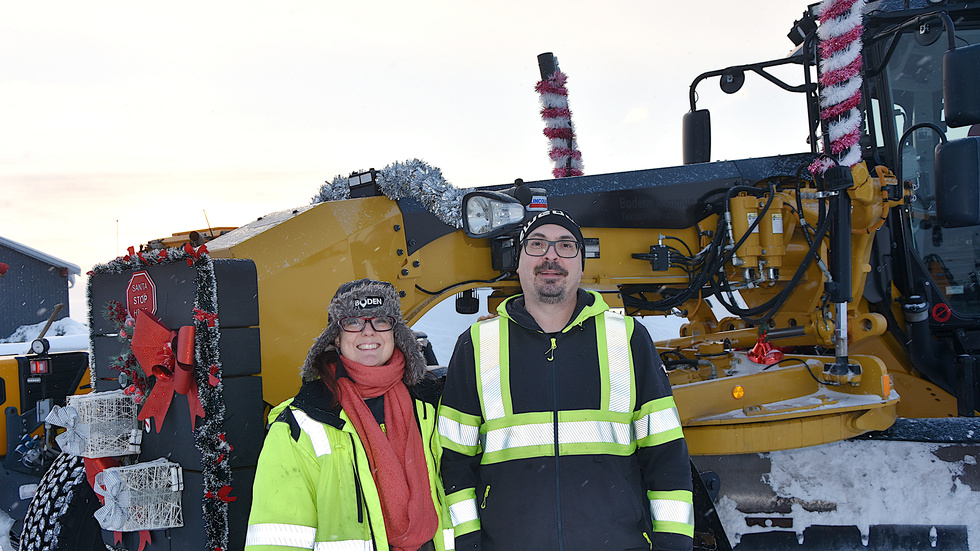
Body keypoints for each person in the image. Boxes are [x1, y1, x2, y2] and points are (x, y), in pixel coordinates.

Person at [437, 210, 694, 551]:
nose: (551, 256)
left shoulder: (628, 338)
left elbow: (665, 454)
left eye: (566, 246)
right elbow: (453, 461)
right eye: (537, 244)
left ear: (581, 265)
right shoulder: (477, 344)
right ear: (519, 262)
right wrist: (467, 544)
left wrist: (673, 544)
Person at [245, 279, 455, 551]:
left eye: (380, 320)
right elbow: (278, 536)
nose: (368, 332)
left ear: (395, 331)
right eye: (354, 322)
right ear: (336, 336)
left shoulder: (432, 405)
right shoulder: (300, 423)